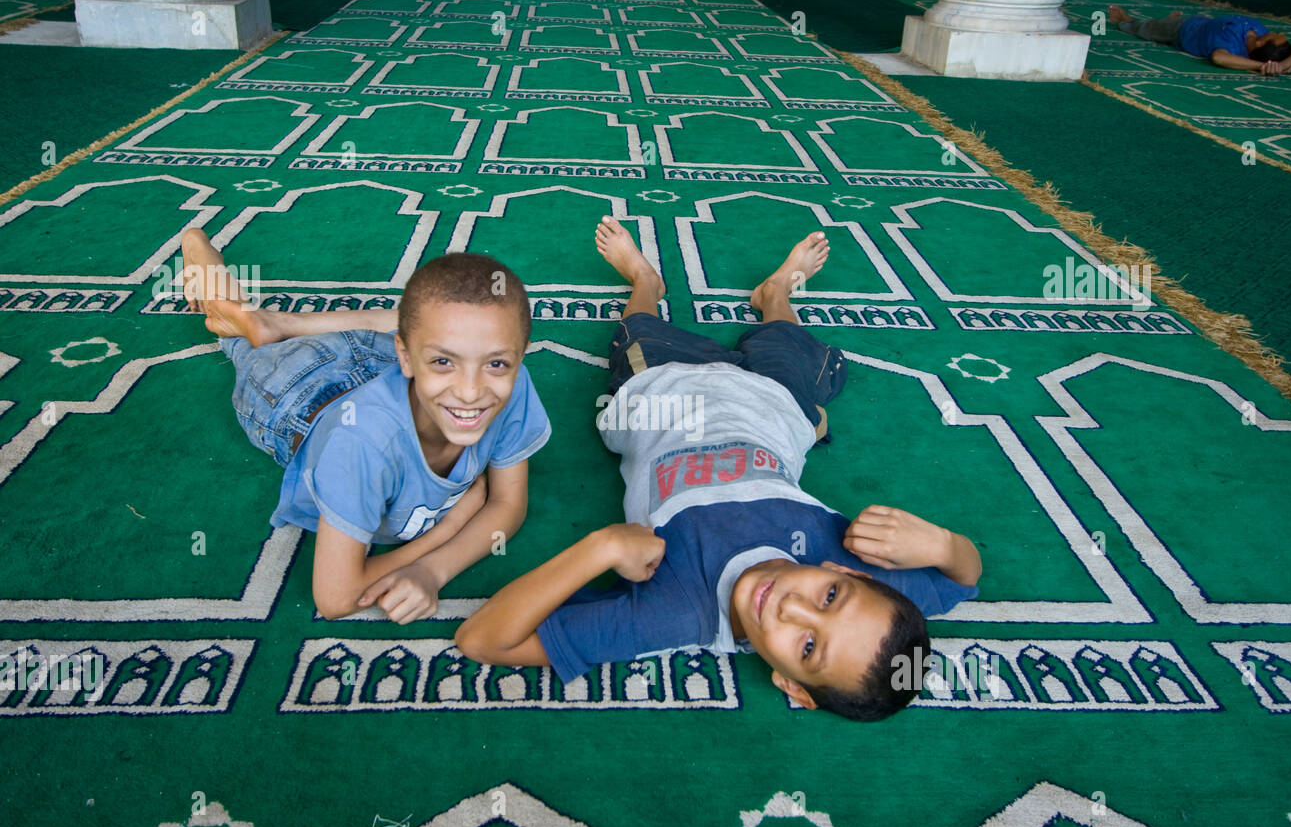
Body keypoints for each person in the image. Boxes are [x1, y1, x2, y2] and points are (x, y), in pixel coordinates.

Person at [455, 218, 982, 721]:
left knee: (639, 328)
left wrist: (601, 548)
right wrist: (942, 545)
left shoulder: (675, 610)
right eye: (829, 596)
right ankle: (775, 293)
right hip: (774, 404)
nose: (793, 607)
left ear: (792, 686)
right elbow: (963, 578)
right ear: (849, 573)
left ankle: (644, 279)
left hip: (665, 390)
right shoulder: (865, 580)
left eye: (807, 646)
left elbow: (483, 639)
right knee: (787, 341)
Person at [180, 229, 550, 624]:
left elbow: (507, 505)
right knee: (237, 338)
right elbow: (336, 599)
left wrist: (432, 570)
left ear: (519, 358)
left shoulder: (512, 385)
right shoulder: (361, 444)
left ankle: (278, 320)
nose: (471, 391)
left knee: (431, 321)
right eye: (445, 362)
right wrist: (450, 528)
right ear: (407, 359)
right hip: (296, 394)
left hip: (378, 358)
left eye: (496, 364)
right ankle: (203, 257)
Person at [1108, 5, 1291, 74]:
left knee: (1146, 29)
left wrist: (1260, 66)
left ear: (1260, 44)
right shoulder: (1258, 35)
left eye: (1277, 36)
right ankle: (1169, 19)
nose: (1281, 33)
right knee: (1161, 25)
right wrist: (1280, 66)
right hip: (1202, 22)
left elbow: (1218, 58)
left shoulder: (1232, 46)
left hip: (1182, 30)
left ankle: (1126, 21)